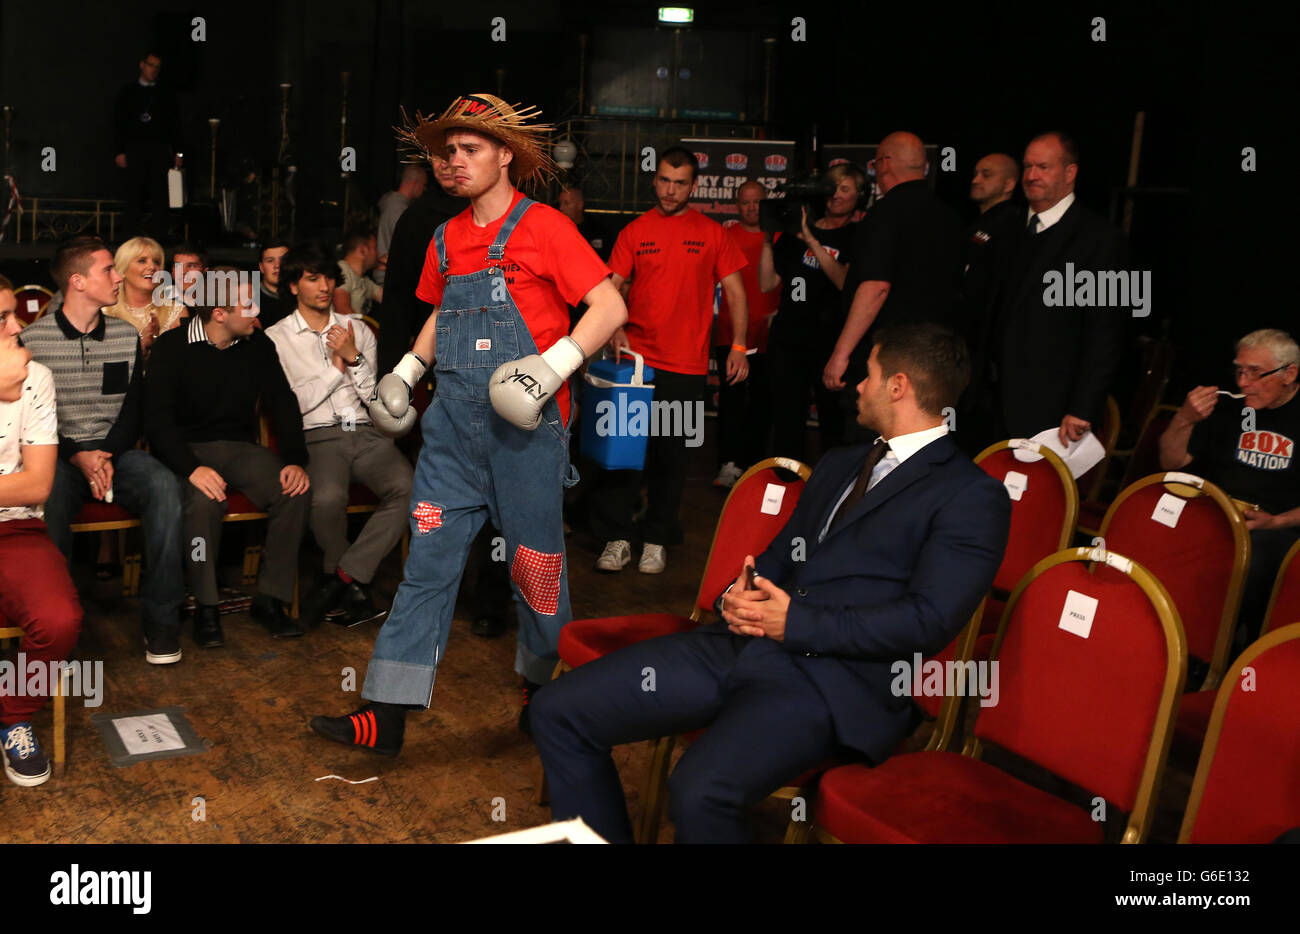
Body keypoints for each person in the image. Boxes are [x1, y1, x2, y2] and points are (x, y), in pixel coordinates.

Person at [531, 322, 1011, 843]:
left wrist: (796, 623)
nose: (856, 385)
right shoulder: (842, 461)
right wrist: (740, 595)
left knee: (698, 789)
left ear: (898, 386)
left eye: (866, 374)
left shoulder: (971, 496)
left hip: (832, 684)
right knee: (558, 711)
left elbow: (928, 622)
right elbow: (785, 554)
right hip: (744, 643)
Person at [308, 92, 626, 754]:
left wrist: (554, 367)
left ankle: (546, 697)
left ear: (505, 154)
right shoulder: (444, 237)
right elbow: (443, 312)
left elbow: (607, 305)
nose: (455, 161)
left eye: (470, 149)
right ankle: (385, 712)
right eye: (448, 150)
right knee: (426, 564)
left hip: (526, 432)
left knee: (535, 570)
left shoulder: (544, 227)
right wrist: (405, 371)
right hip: (451, 431)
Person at [20, 241, 187, 660]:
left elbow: (133, 411)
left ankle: (162, 625)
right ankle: (59, 636)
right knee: (48, 500)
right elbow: (32, 419)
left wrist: (106, 453)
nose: (119, 277)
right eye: (109, 270)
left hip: (115, 452)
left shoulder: (123, 334)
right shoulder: (32, 340)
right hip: (55, 454)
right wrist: (77, 453)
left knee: (166, 488)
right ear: (78, 282)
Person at [591, 147, 749, 575]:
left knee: (671, 458)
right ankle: (617, 538)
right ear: (655, 180)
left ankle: (657, 538)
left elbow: (736, 291)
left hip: (688, 368)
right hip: (635, 367)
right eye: (664, 180)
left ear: (693, 186)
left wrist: (738, 345)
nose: (670, 190)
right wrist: (614, 326)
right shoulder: (635, 230)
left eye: (680, 183)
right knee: (624, 457)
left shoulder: (713, 232)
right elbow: (609, 287)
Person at [146, 280, 313, 641]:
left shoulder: (257, 344)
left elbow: (281, 401)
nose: (257, 312)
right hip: (186, 450)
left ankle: (270, 599)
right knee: (204, 504)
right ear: (220, 314)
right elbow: (157, 420)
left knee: (294, 490)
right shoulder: (172, 347)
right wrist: (191, 468)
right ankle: (207, 605)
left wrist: (294, 459)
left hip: (239, 449)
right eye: (248, 305)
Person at [267, 243, 413, 627]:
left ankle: (344, 576)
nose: (325, 286)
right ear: (294, 286)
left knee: (409, 487)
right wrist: (336, 370)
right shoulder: (276, 339)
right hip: (318, 435)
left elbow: (372, 397)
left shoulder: (358, 330)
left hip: (365, 432)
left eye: (330, 278)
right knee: (327, 498)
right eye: (313, 278)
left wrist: (355, 357)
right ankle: (349, 585)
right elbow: (293, 403)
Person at [982, 131, 1128, 444]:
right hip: (987, 406)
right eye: (1027, 167)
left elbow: (1105, 333)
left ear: (1070, 172)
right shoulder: (1005, 229)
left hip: (1049, 410)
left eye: (1043, 167)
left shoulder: (1101, 240)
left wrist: (1083, 407)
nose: (1031, 176)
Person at [1159, 328, 1300, 651]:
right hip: (1214, 514)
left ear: (1289, 374)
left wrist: (1277, 522)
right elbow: (1171, 461)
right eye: (1239, 370)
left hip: (1275, 529)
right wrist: (1184, 417)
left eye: (1255, 373)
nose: (1242, 383)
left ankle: (1214, 656)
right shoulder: (1229, 408)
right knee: (1157, 526)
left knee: (1247, 560)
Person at [0, 293, 82, 788]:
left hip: (15, 526)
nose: (18, 327)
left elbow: (37, 485)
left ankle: (13, 714)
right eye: (2, 319)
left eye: (14, 314)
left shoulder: (37, 377)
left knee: (60, 619)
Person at [825, 132, 964, 396]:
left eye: (876, 164)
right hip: (937, 359)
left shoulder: (884, 214)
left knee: (875, 434)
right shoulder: (951, 217)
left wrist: (840, 354)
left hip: (889, 360)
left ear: (885, 163)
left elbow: (876, 287)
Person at [761, 164, 861, 464]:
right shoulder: (796, 233)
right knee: (787, 421)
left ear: (860, 196)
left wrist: (812, 241)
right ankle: (787, 485)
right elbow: (767, 283)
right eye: (832, 187)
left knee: (833, 421)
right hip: (789, 340)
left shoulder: (858, 235)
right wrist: (767, 240)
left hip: (830, 344)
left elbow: (844, 282)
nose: (836, 195)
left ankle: (831, 493)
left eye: (845, 189)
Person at [712, 181, 778, 487]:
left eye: (757, 202)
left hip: (769, 335)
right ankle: (729, 463)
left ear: (766, 204)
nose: (752, 208)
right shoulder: (726, 236)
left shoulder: (780, 237)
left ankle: (755, 463)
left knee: (764, 401)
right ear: (737, 206)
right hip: (731, 333)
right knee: (732, 401)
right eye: (746, 202)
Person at [958, 152, 1024, 454]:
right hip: (964, 352)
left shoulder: (1010, 224)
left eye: (986, 174)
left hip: (984, 360)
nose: (975, 179)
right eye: (975, 172)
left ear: (1009, 183)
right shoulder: (978, 223)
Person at [113, 51, 183, 240]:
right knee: (133, 193)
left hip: (159, 150)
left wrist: (179, 153)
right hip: (134, 149)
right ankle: (128, 238)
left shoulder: (165, 93)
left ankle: (159, 237)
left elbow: (175, 125)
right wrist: (119, 151)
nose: (153, 70)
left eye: (157, 67)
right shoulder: (128, 92)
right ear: (142, 65)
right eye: (150, 65)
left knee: (160, 194)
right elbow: (119, 123)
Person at [104, 236, 188, 358]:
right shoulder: (106, 311)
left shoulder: (176, 311)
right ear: (123, 268)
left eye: (157, 262)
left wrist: (158, 344)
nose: (152, 267)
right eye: (142, 261)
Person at [376, 164, 429, 285]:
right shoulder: (398, 208)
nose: (424, 189)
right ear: (415, 183)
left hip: (389, 275)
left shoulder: (392, 203)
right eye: (424, 185)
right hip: (391, 277)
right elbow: (406, 244)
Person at [334, 225, 384, 318]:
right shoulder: (343, 269)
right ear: (363, 250)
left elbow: (389, 299)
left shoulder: (364, 281)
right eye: (375, 248)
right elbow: (343, 311)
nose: (378, 253)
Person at [255, 239, 293, 329]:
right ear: (261, 267)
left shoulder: (302, 297)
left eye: (283, 259)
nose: (277, 265)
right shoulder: (249, 301)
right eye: (270, 260)